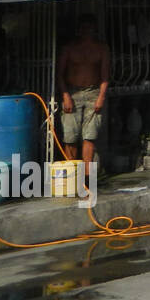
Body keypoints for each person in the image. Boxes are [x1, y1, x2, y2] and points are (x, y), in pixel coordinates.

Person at [57, 14, 110, 179]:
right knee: (70, 136)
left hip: (93, 92)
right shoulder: (69, 49)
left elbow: (105, 75)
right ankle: (71, 175)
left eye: (90, 29)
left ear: (94, 30)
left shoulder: (101, 49)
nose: (87, 32)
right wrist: (65, 95)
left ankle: (87, 176)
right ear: (79, 31)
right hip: (72, 92)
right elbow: (59, 74)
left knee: (90, 136)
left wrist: (101, 96)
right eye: (83, 29)